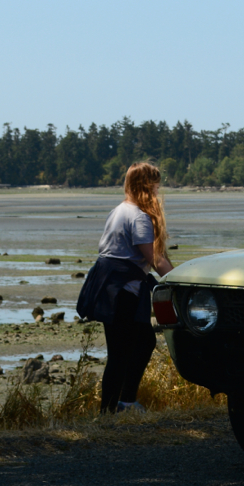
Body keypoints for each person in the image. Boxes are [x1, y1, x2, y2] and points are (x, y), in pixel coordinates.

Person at [77, 162, 174, 413]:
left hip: (109, 290)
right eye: (155, 186)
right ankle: (116, 407)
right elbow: (156, 259)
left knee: (135, 345)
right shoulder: (139, 217)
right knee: (127, 350)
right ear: (146, 186)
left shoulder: (119, 210)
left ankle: (118, 405)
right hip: (123, 294)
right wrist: (179, 282)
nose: (157, 192)